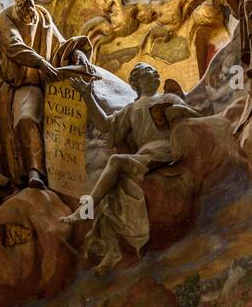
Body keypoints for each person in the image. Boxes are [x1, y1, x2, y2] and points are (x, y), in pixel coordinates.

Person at [61, 62, 200, 274]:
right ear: (135, 83)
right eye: (148, 72)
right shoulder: (131, 109)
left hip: (165, 151)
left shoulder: (168, 98)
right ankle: (112, 251)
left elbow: (198, 119)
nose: (155, 72)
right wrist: (88, 96)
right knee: (111, 195)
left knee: (116, 162)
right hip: (144, 156)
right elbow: (105, 125)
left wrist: (183, 110)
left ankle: (84, 209)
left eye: (154, 71)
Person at [0, 0, 93, 187]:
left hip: (39, 83)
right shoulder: (6, 17)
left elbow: (60, 44)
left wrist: (77, 53)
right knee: (25, 117)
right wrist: (40, 62)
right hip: (18, 83)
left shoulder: (43, 16)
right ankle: (33, 172)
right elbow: (14, 45)